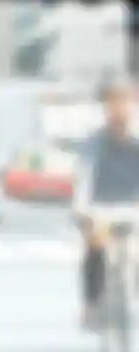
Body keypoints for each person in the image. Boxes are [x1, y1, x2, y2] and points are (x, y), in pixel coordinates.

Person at [73, 78, 139, 329]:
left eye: (124, 104)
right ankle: (91, 304)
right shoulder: (96, 143)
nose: (118, 112)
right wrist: (81, 207)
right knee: (95, 250)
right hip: (101, 208)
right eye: (113, 105)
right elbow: (84, 175)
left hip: (133, 207)